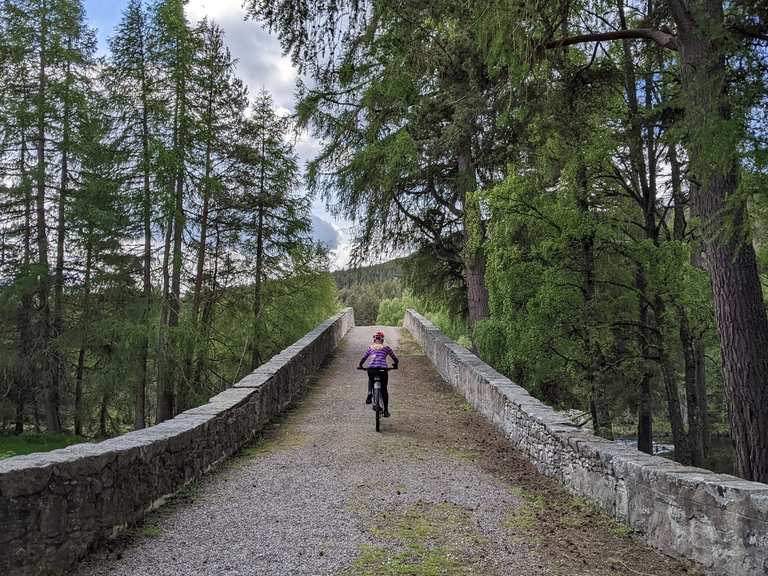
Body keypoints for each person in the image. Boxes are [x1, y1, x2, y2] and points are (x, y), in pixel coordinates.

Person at [358, 331, 398, 417]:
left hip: (371, 369)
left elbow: (364, 358)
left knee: (371, 380)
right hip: (383, 370)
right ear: (382, 340)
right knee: (384, 390)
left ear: (374, 339)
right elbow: (395, 358)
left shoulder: (371, 347)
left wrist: (360, 365)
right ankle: (386, 411)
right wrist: (395, 365)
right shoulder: (386, 347)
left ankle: (369, 393)